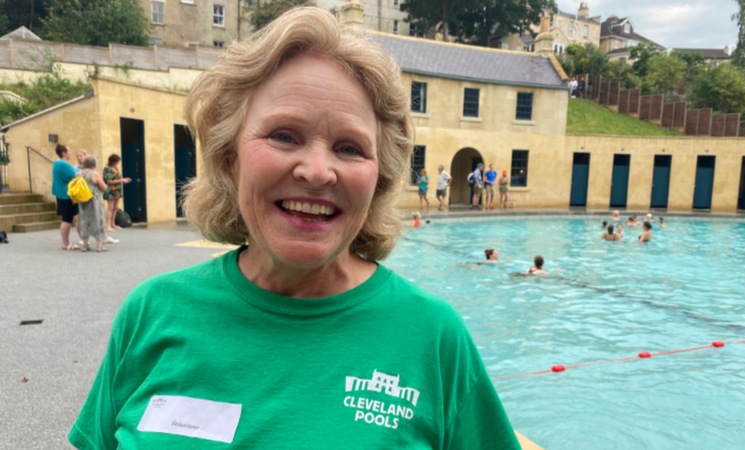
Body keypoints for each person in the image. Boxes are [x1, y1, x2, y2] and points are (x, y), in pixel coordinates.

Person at [69, 8, 522, 450]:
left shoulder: (433, 337)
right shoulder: (151, 313)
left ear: (378, 177)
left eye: (349, 147)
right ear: (231, 157)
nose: (318, 171)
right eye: (284, 136)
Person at [52, 144, 82, 250]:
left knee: (67, 218)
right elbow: (75, 176)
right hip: (66, 195)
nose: (71, 153)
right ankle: (65, 243)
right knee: (67, 219)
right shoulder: (63, 164)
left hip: (62, 193)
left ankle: (66, 242)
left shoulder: (57, 163)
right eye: (69, 151)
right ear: (63, 153)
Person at [76, 155, 109, 252]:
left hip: (82, 200)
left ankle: (85, 245)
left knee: (84, 221)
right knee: (98, 220)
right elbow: (104, 188)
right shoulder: (94, 174)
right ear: (94, 163)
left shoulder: (78, 174)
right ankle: (99, 246)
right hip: (94, 201)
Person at [103, 154, 131, 232]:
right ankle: (107, 225)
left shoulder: (115, 167)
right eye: (117, 161)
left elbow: (117, 178)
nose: (118, 163)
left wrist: (124, 179)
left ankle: (113, 224)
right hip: (110, 190)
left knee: (115, 207)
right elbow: (109, 181)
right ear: (112, 161)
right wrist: (121, 180)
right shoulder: (107, 169)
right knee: (110, 207)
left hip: (117, 189)